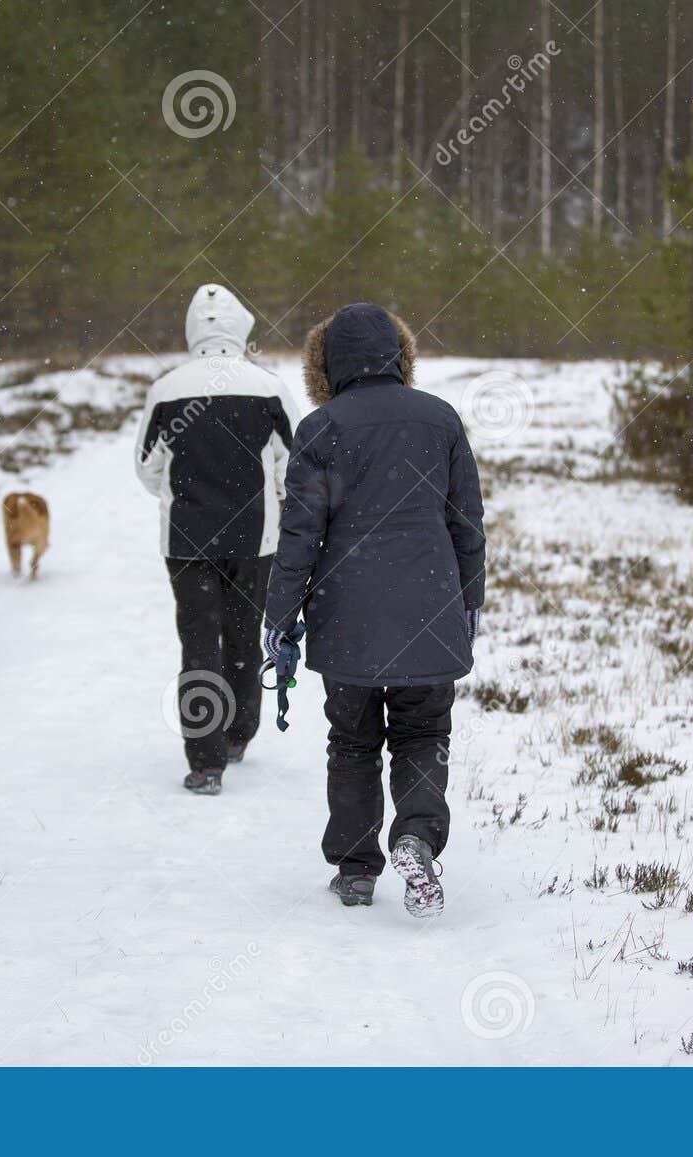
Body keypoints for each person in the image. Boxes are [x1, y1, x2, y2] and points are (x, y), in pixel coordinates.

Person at [264, 303, 485, 918]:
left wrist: (280, 615)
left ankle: (356, 868)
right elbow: (467, 523)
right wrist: (469, 601)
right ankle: (417, 835)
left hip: (347, 616)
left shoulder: (320, 428)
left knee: (353, 742)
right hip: (431, 607)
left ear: (326, 366)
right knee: (422, 732)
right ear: (401, 356)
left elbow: (299, 536)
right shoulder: (439, 419)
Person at [135, 284, 299, 795]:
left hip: (187, 540)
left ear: (192, 329)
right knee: (244, 637)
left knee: (198, 642)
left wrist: (183, 495)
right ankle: (237, 735)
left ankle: (205, 763)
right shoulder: (269, 387)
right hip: (255, 540)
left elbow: (147, 467)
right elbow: (292, 463)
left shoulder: (165, 391)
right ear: (241, 328)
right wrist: (269, 498)